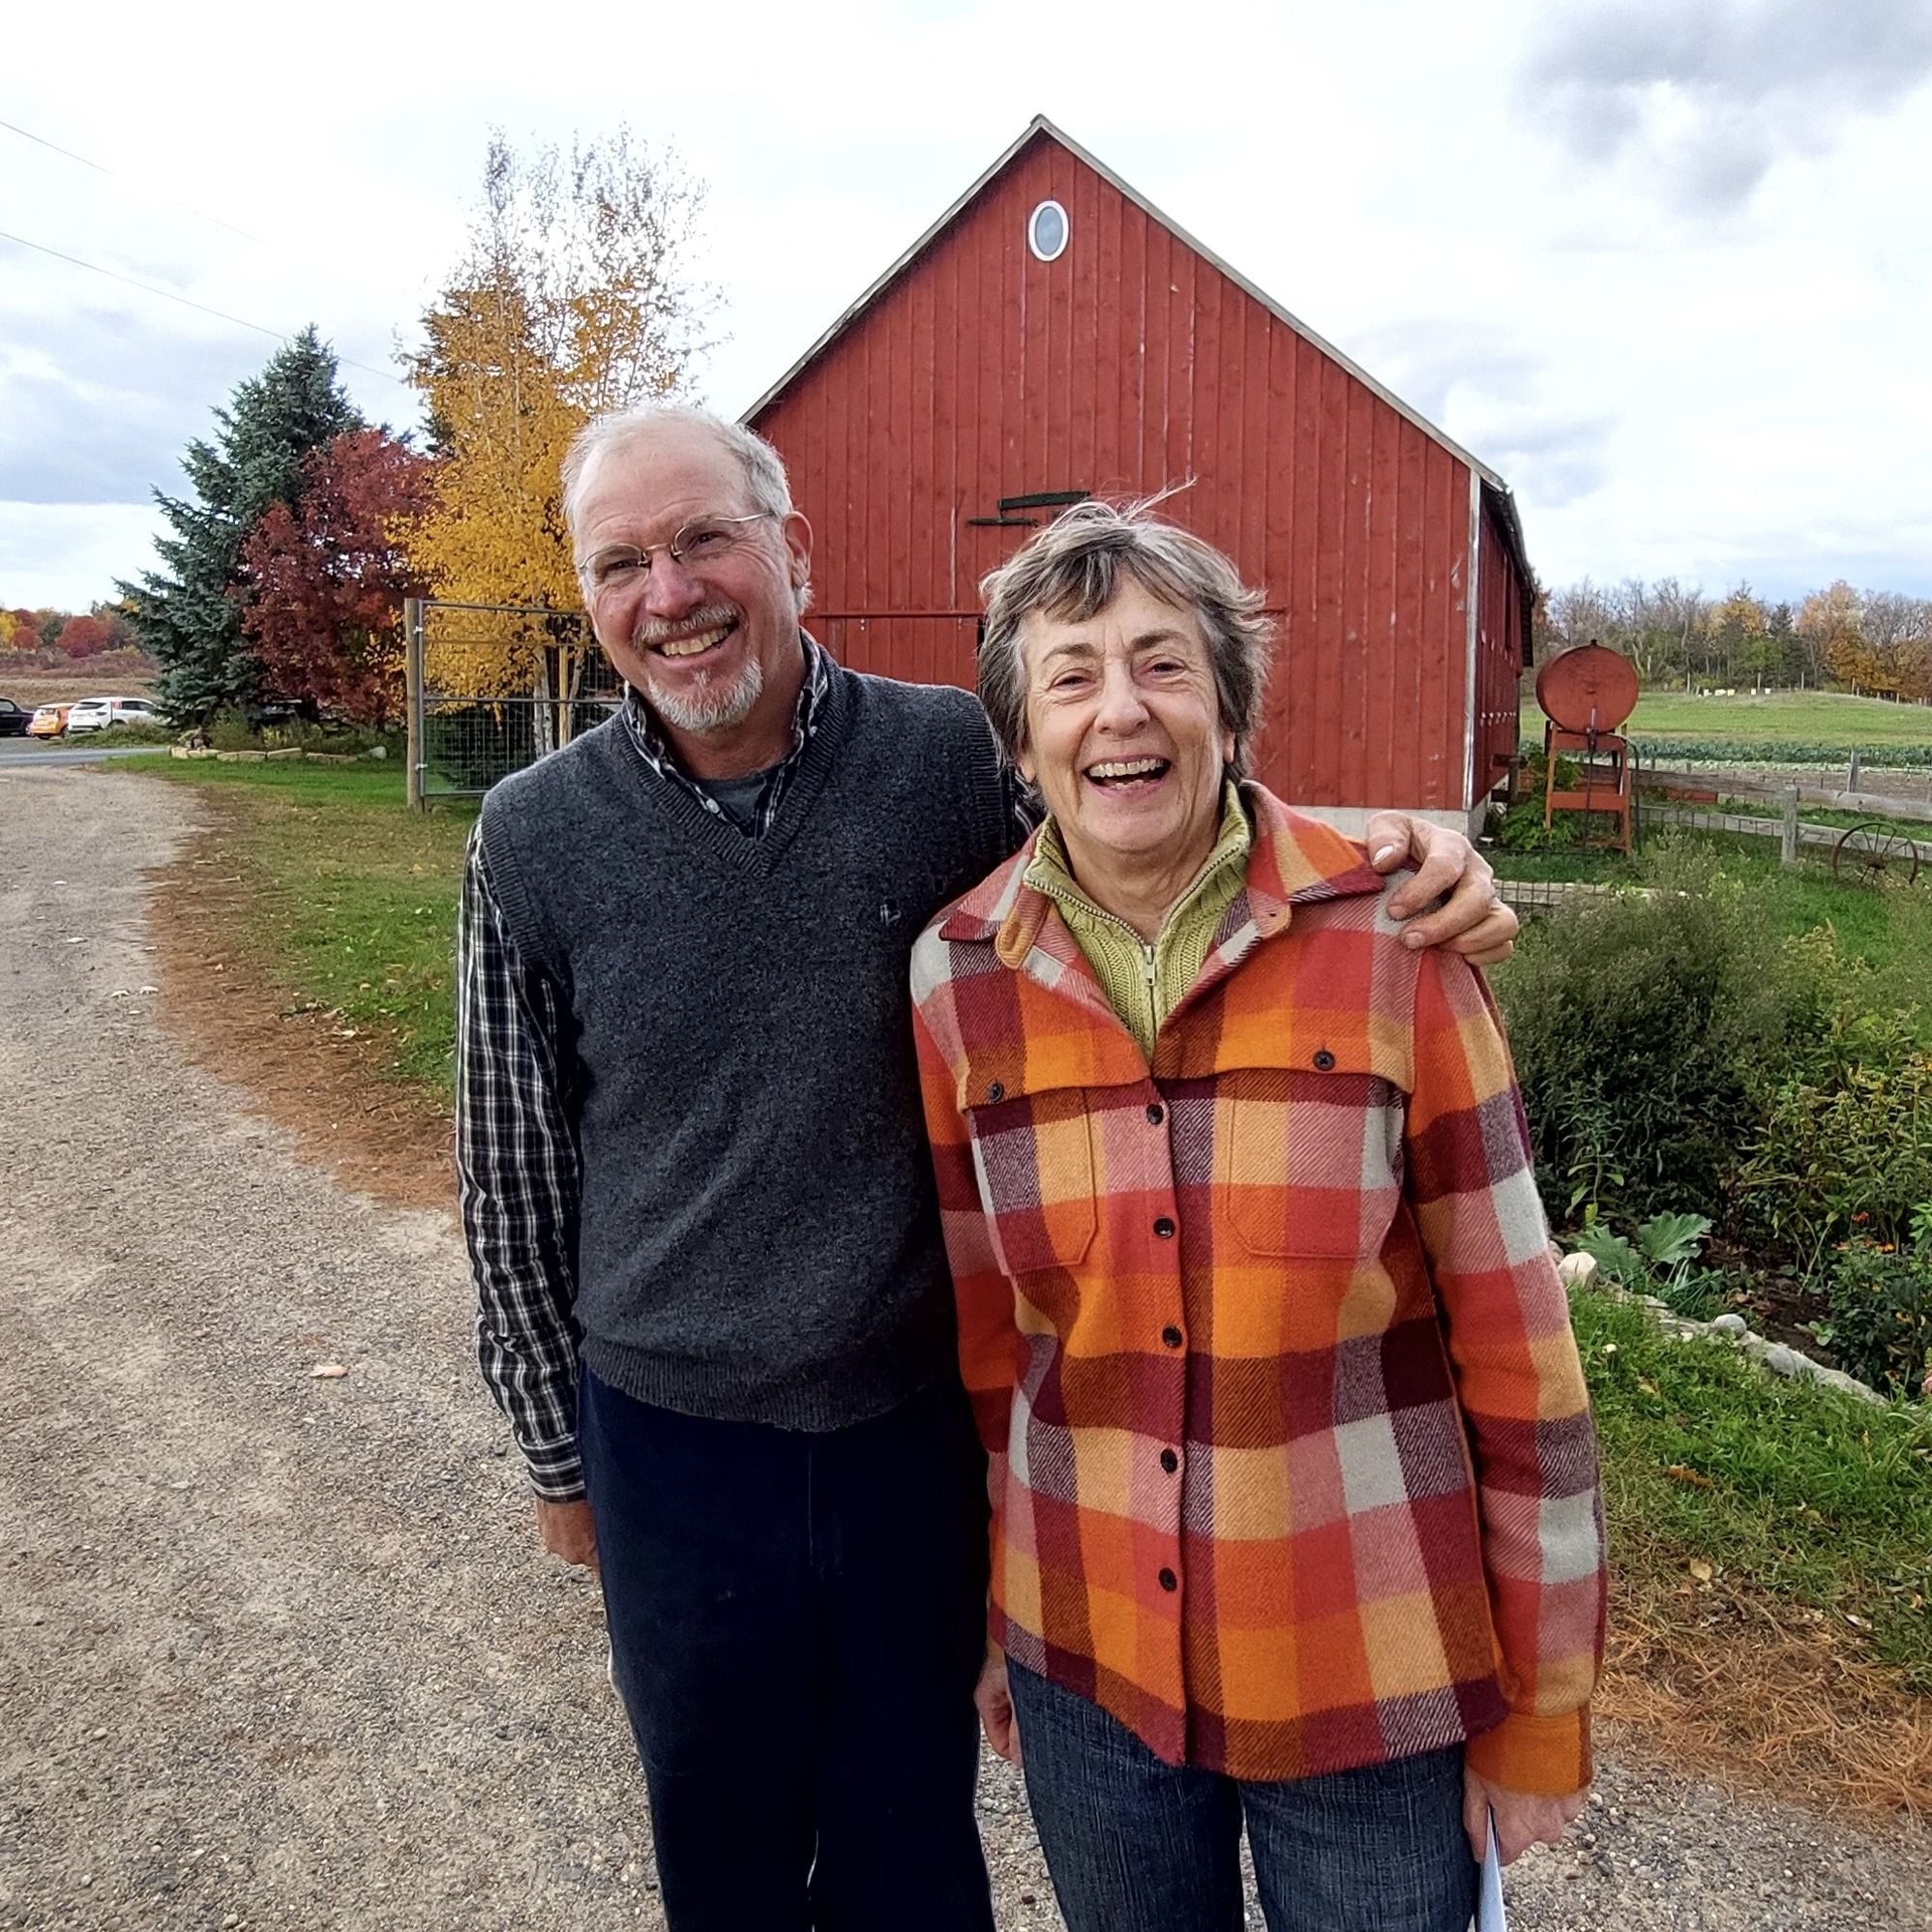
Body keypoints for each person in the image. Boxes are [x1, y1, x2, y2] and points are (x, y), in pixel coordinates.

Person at [455, 405, 1523, 1931]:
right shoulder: (530, 836)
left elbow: (1160, 816)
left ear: (790, 552)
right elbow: (510, 1177)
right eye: (622, 561)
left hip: (912, 1429)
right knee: (719, 1832)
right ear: (589, 600)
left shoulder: (955, 755)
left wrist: (1404, 858)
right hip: (673, 1438)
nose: (669, 590)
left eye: (703, 538)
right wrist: (559, 1452)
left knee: (911, 1838)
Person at [909, 501, 1604, 1932]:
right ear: (1020, 736)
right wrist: (992, 1616)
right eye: (1071, 673)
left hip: (1366, 1659)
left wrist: (1541, 1705)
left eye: (1164, 663)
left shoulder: (1395, 945)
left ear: (1230, 706)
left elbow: (1522, 1358)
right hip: (1086, 1654)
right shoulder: (956, 978)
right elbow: (990, 1358)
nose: (1122, 710)